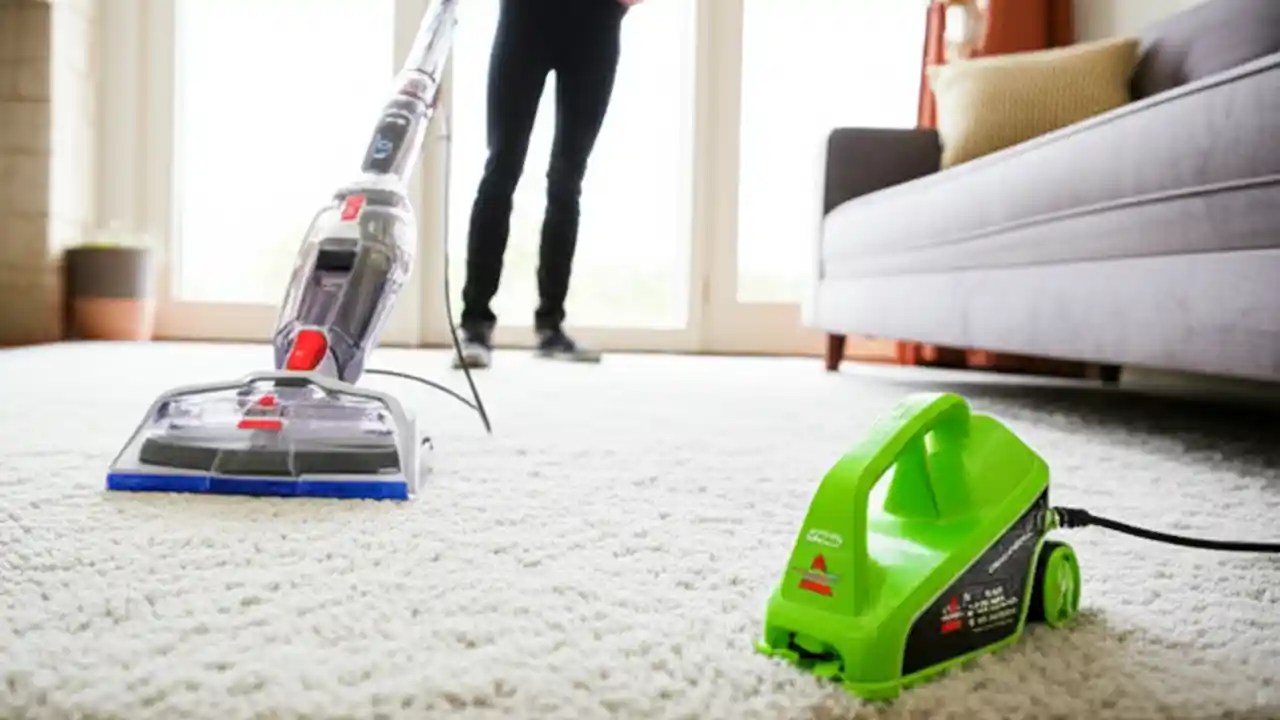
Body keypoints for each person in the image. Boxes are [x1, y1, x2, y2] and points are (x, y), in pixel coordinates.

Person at [454, 0, 644, 369]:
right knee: (502, 168)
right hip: (528, 16)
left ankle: (550, 325)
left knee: (567, 180)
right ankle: (475, 325)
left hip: (596, 22)